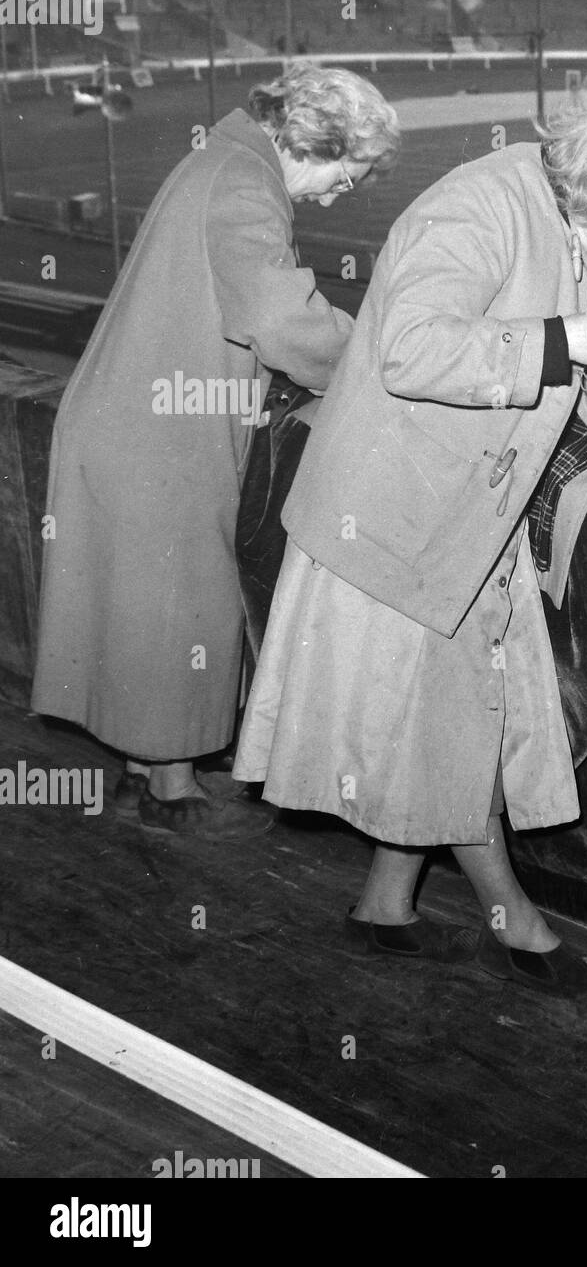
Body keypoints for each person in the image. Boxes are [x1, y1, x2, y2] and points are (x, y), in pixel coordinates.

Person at [233, 104, 587, 999]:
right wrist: (561, 342)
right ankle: (516, 926)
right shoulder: (478, 207)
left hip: (478, 518)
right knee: (458, 733)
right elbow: (408, 349)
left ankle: (384, 910)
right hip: (400, 523)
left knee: (446, 726)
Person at [31, 62, 400, 841]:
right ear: (319, 140)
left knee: (140, 609)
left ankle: (142, 771)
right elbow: (280, 318)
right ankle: (173, 783)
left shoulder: (223, 161)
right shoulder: (243, 181)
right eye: (349, 172)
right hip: (159, 438)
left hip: (134, 421)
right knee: (180, 605)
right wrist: (382, 363)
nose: (341, 193)